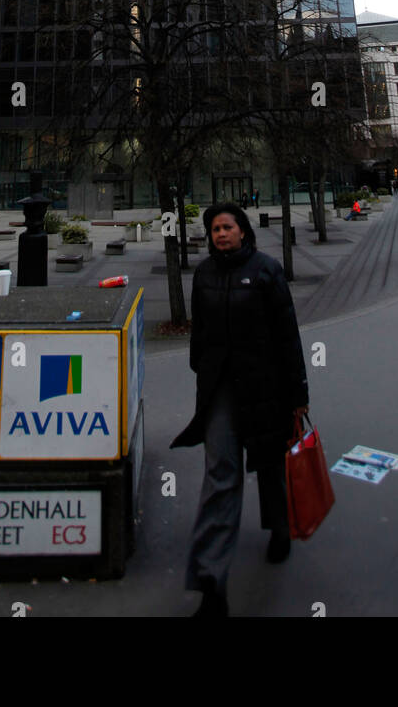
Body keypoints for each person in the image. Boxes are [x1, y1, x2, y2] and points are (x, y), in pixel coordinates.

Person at [171, 202, 309, 617]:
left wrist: (298, 393)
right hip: (221, 393)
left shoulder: (267, 271)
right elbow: (200, 335)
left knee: (269, 463)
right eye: (215, 229)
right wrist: (204, 369)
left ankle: (279, 526)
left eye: (227, 227)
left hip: (266, 386)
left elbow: (288, 335)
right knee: (221, 474)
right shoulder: (205, 274)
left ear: (244, 231)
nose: (221, 234)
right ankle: (212, 581)